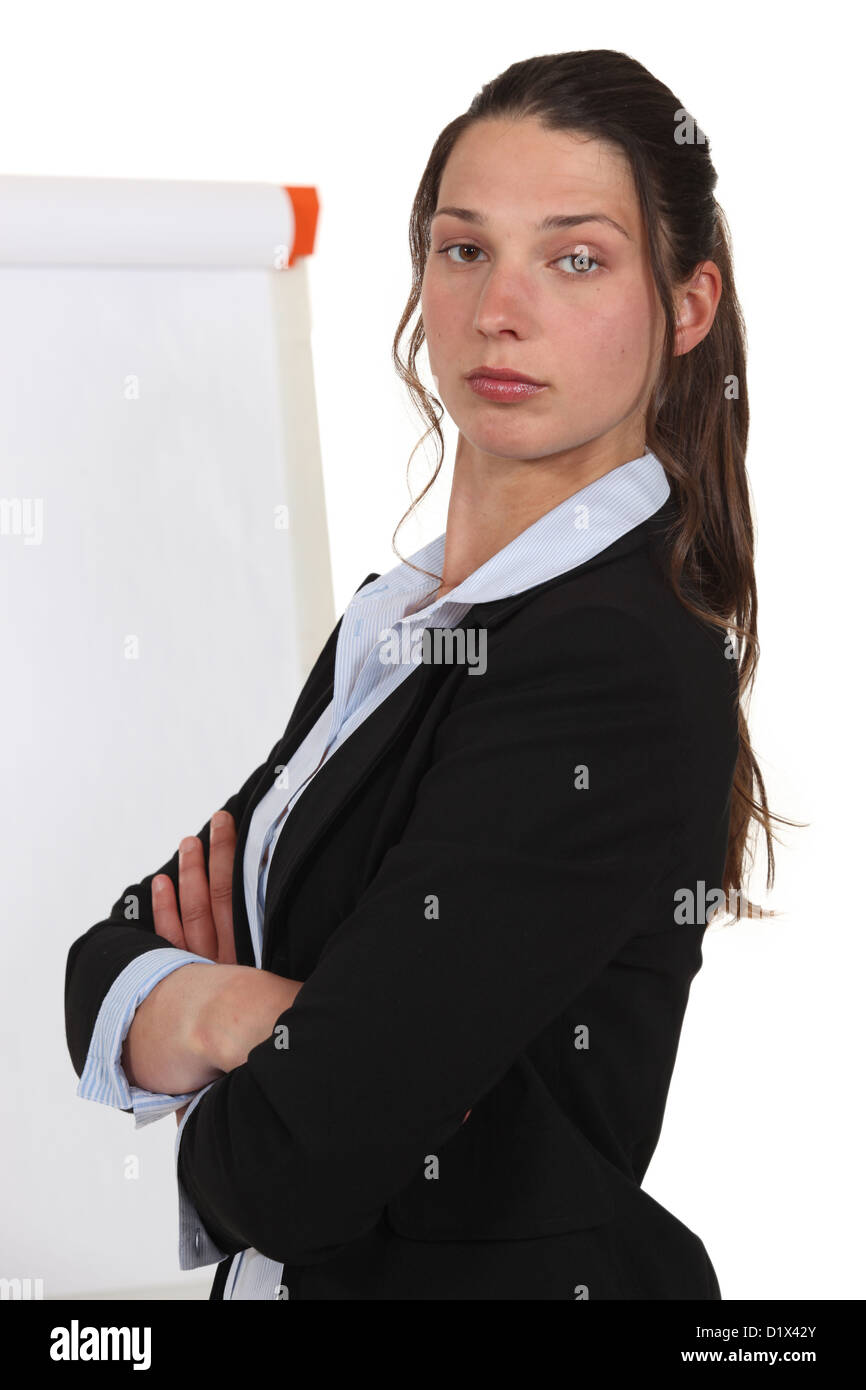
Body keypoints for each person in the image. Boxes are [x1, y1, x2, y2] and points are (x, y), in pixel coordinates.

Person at [65, 48, 788, 1300]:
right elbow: (110, 950)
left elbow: (297, 1163)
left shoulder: (607, 664)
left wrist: (213, 1020)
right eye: (464, 250)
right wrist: (247, 1016)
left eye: (573, 258)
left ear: (685, 304)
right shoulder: (403, 622)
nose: (498, 309)